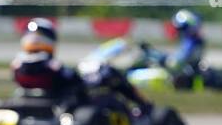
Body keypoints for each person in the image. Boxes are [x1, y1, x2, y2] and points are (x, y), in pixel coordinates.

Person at [12, 17, 153, 109]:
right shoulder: (50, 66)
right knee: (110, 75)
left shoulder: (17, 65)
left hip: (35, 101)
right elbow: (72, 80)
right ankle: (145, 107)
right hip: (65, 102)